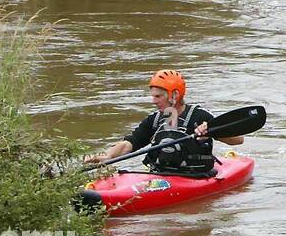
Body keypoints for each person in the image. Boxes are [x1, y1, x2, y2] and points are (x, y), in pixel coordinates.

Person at [83, 69, 244, 176]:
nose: (153, 101)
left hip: (196, 177)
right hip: (161, 176)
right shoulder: (154, 120)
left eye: (158, 96)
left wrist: (212, 130)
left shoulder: (200, 116)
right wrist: (109, 155)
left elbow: (238, 140)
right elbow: (129, 143)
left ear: (174, 95)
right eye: (153, 96)